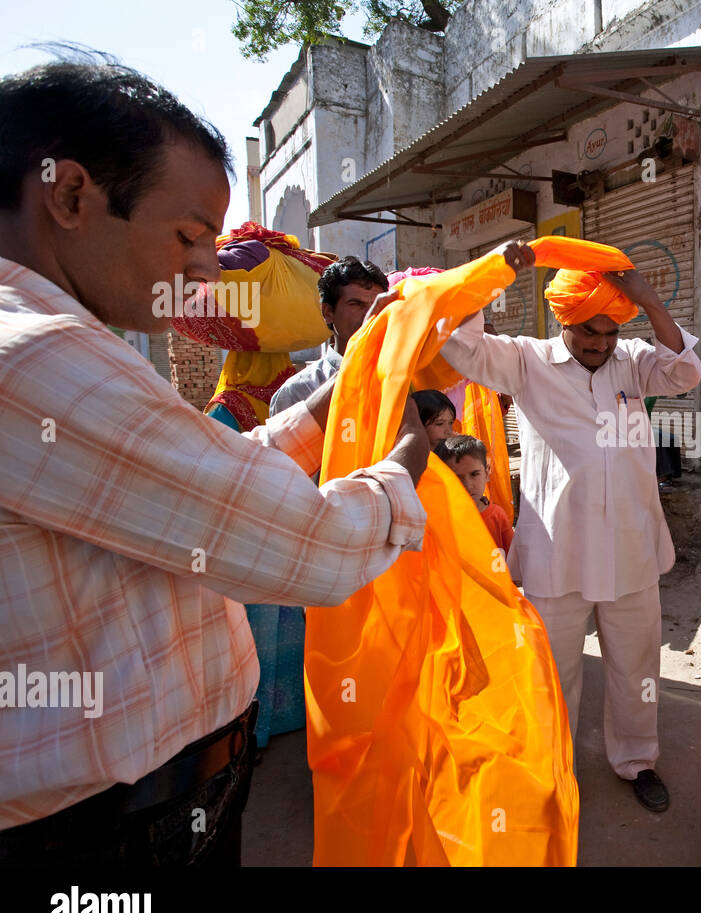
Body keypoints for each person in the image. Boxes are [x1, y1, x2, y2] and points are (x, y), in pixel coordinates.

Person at [0, 59, 431, 864]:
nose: (205, 270)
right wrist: (408, 458)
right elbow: (309, 542)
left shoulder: (64, 348)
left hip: (153, 800)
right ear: (69, 197)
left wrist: (329, 404)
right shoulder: (39, 357)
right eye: (191, 235)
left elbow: (206, 477)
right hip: (106, 831)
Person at [437, 248, 701, 813]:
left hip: (630, 550)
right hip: (557, 553)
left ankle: (637, 760)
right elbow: (461, 346)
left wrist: (649, 299)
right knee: (553, 676)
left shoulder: (633, 360)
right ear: (563, 321)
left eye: (609, 332)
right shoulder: (526, 361)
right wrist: (493, 277)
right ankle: (550, 771)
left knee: (637, 670)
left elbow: (685, 371)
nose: (600, 344)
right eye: (589, 332)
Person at [269, 255, 389, 416]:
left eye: (377, 306)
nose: (370, 315)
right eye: (356, 304)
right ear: (328, 312)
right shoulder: (298, 391)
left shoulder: (397, 377)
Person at [436, 433, 513, 554]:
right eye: (457, 477)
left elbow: (513, 560)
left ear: (487, 472)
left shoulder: (498, 517)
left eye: (474, 474)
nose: (467, 485)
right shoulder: (439, 521)